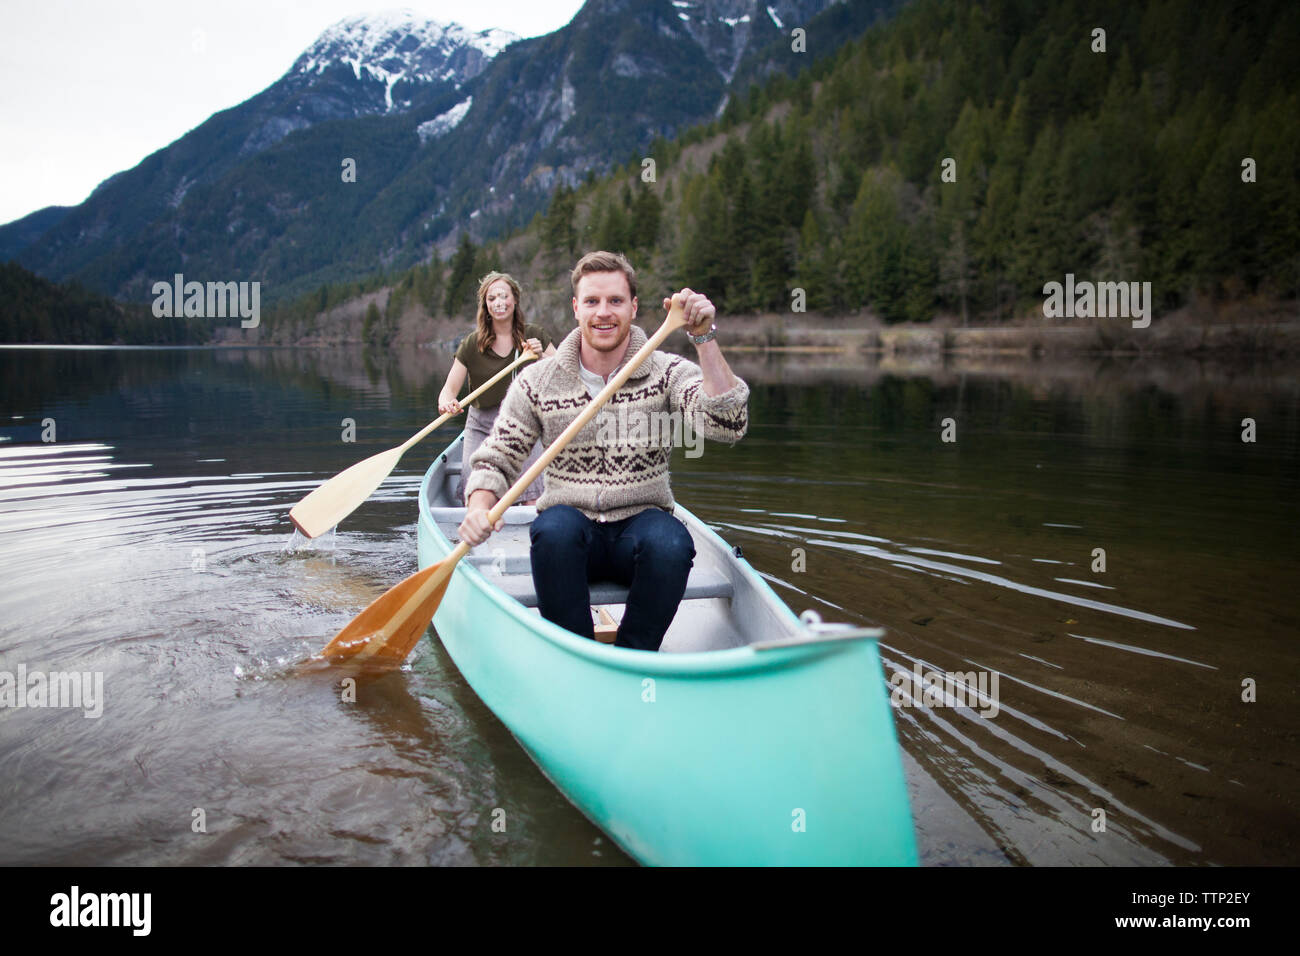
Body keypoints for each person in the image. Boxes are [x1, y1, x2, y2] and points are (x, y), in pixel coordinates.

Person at [458, 251, 748, 651]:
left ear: (633, 307)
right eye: (592, 301)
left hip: (640, 527)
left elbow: (727, 424)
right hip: (570, 530)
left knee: (672, 544)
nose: (603, 313)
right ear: (576, 308)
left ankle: (635, 656)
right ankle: (576, 654)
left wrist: (704, 337)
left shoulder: (665, 371)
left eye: (615, 301)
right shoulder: (537, 380)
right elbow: (498, 455)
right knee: (552, 532)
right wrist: (478, 506)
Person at [438, 271, 556, 503]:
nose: (499, 303)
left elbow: (565, 375)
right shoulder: (472, 343)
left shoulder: (534, 336)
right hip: (481, 424)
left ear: (515, 299)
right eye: (492, 298)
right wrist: (446, 403)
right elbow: (448, 390)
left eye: (504, 296)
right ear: (485, 305)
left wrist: (541, 356)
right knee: (474, 493)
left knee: (533, 495)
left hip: (525, 423)